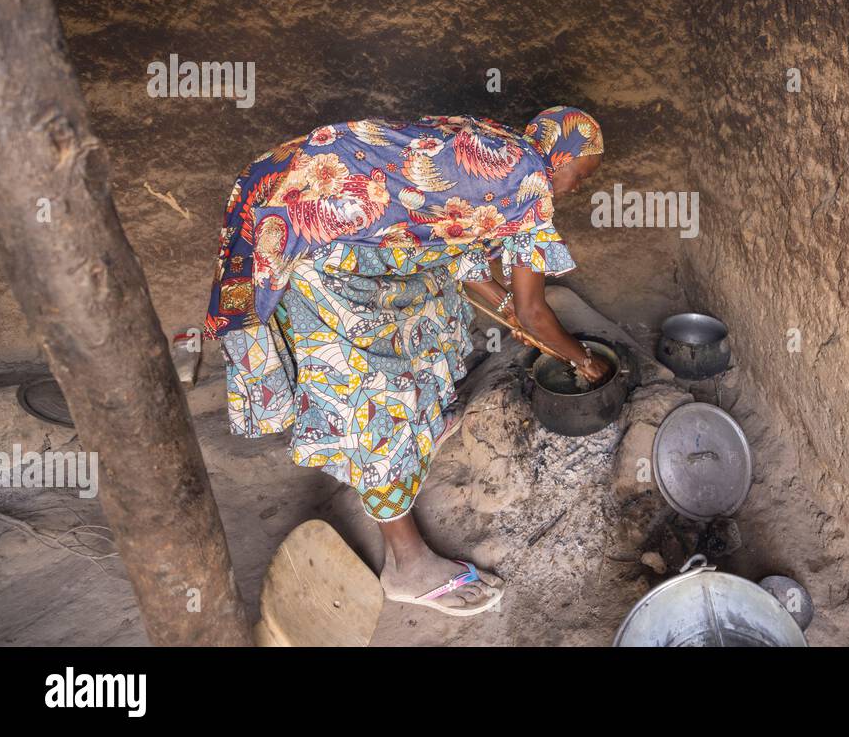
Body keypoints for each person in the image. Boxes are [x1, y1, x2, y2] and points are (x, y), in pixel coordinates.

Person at [204, 106, 607, 615]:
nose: (575, 188)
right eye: (581, 175)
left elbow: (454, 246)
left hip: (320, 208)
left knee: (435, 297)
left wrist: (508, 306)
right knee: (374, 395)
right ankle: (405, 564)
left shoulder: (504, 149)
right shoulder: (528, 178)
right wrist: (583, 360)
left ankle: (420, 422)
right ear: (563, 155)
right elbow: (533, 308)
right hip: (309, 242)